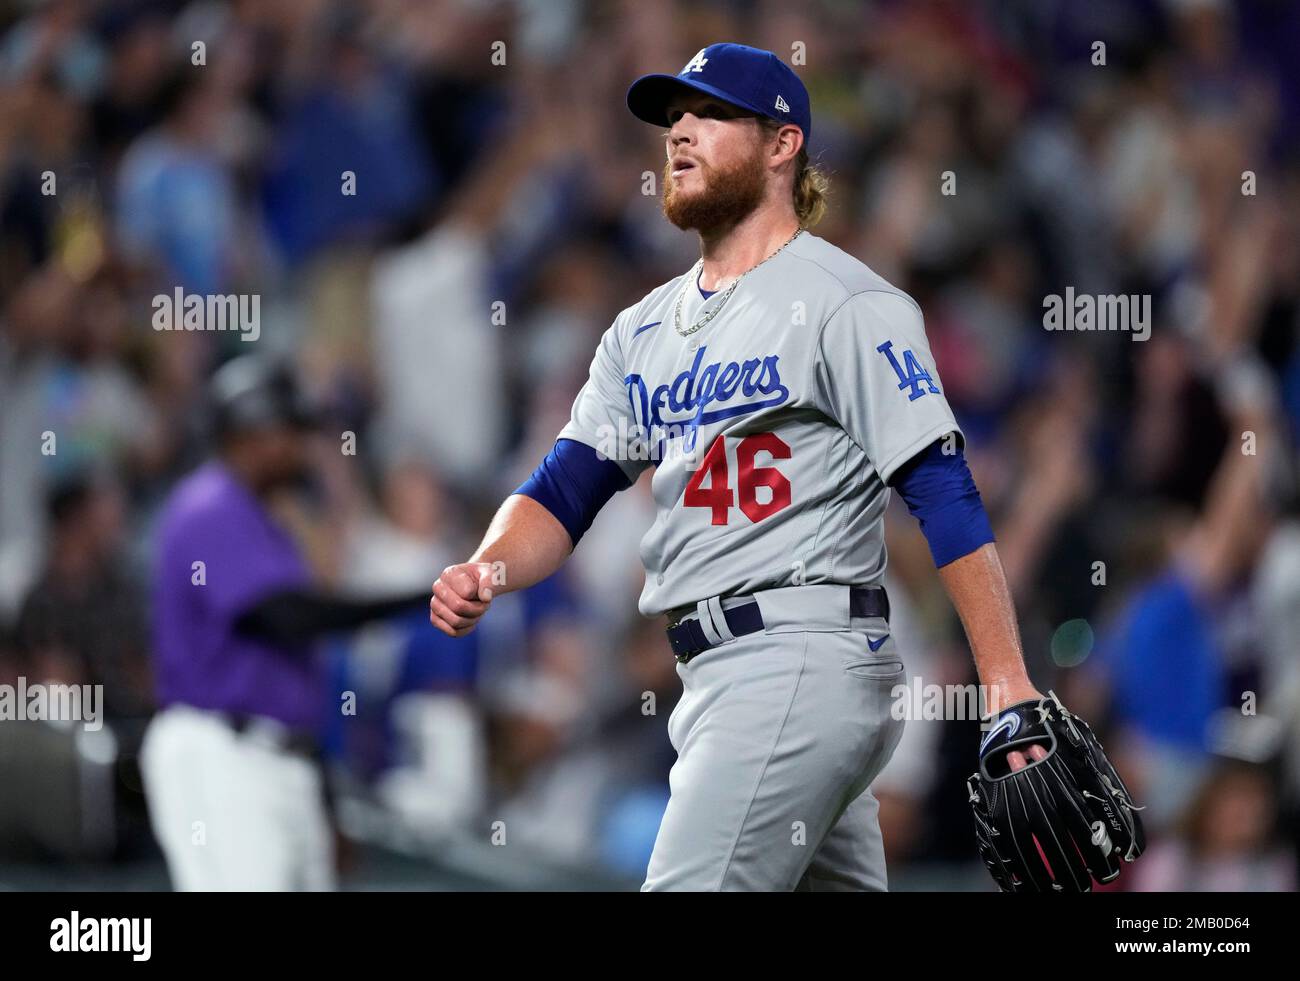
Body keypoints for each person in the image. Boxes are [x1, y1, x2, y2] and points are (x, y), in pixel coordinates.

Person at [428, 43, 1080, 891]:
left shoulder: (849, 301)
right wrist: (488, 565)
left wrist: (1005, 678)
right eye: (673, 118)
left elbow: (941, 489)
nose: (681, 133)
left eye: (709, 114)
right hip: (722, 674)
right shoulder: (642, 331)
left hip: (797, 658)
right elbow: (564, 489)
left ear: (782, 145)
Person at [141, 354, 428, 890]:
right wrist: (419, 600)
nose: (304, 447)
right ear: (249, 433)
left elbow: (291, 674)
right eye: (291, 431)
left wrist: (323, 796)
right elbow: (287, 618)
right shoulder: (210, 505)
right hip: (221, 753)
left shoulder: (263, 518)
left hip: (278, 757)